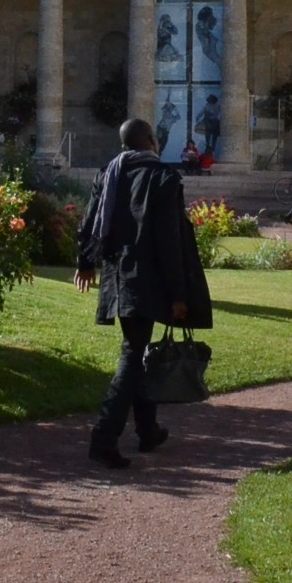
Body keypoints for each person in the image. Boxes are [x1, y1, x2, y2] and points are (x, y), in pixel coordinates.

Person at [76, 117, 213, 470]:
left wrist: (84, 263)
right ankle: (103, 439)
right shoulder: (162, 178)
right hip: (149, 281)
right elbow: (170, 239)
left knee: (136, 352)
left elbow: (90, 221)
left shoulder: (109, 174)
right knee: (132, 355)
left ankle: (148, 430)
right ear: (151, 140)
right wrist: (178, 294)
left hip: (118, 276)